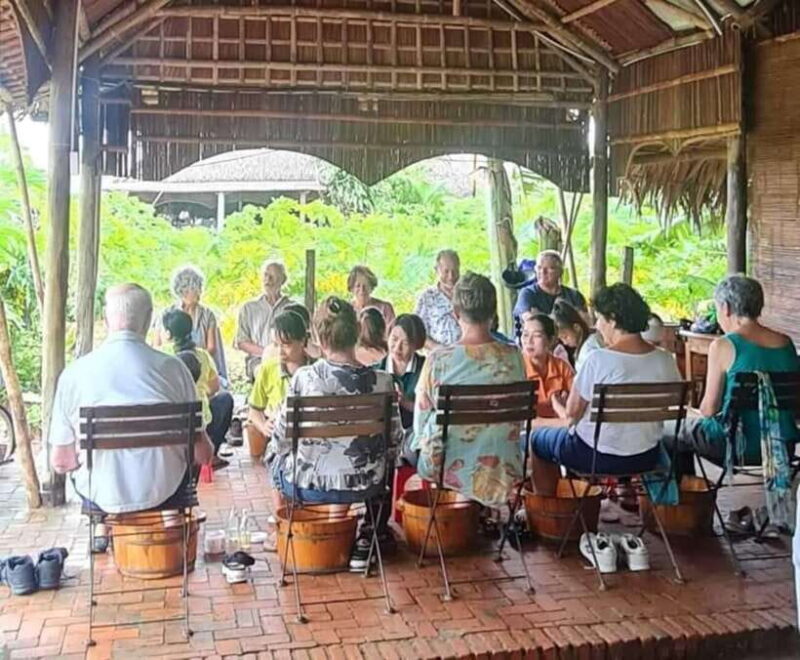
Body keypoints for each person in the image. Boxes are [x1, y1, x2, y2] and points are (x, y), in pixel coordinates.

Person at [49, 284, 214, 516]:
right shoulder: (175, 370)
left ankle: (103, 532)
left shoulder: (74, 375)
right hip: (166, 492)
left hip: (100, 494)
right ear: (148, 320)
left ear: (105, 321)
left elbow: (61, 461)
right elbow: (203, 454)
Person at [268, 296, 398, 569]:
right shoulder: (383, 382)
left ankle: (289, 537)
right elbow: (395, 440)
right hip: (368, 482)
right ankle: (367, 537)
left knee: (274, 459)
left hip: (312, 483)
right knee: (387, 462)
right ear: (357, 332)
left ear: (318, 336)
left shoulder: (304, 378)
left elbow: (281, 437)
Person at [527, 283, 681, 496]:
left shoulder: (598, 359)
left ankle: (550, 513)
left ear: (613, 319)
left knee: (537, 441)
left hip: (594, 455)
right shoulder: (666, 360)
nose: (597, 326)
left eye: (600, 319)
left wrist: (560, 404)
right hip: (648, 455)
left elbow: (572, 416)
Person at [412, 272, 526, 508]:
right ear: (493, 313)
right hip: (505, 463)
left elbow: (420, 424)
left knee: (413, 444)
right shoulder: (514, 356)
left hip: (447, 462)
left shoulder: (438, 360)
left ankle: (458, 509)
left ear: (455, 314)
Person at [670, 275, 799, 475]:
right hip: (782, 444)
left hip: (734, 445)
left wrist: (691, 412)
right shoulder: (786, 344)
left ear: (726, 308)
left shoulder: (723, 345)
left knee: (672, 433)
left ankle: (689, 502)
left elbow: (709, 409)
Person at [162, 309, 233, 467]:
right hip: (202, 423)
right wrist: (201, 393)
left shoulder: (163, 357)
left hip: (175, 425)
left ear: (168, 334)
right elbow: (214, 387)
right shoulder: (202, 355)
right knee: (225, 399)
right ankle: (211, 454)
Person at [246, 310, 313, 460]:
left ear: (302, 341)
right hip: (278, 443)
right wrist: (263, 426)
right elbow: (254, 410)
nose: (280, 351)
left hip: (311, 443)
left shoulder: (317, 371)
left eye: (286, 344)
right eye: (276, 345)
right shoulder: (268, 369)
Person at [153, 265, 227, 381]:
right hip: (171, 369)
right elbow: (157, 346)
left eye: (200, 288)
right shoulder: (167, 314)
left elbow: (211, 348)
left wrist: (196, 362)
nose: (199, 293)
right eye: (195, 289)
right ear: (183, 291)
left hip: (202, 366)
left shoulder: (207, 314)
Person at [235, 260, 295, 380]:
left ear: (282, 280)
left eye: (272, 276)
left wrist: (283, 355)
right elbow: (241, 342)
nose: (268, 280)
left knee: (294, 374)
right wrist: (269, 354)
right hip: (257, 360)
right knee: (264, 373)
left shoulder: (292, 308)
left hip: (287, 359)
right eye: (265, 275)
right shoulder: (249, 308)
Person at [375, 314, 427, 430]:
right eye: (394, 339)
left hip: (418, 435)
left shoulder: (427, 369)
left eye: (405, 343)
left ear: (416, 345)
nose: (397, 347)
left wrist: (405, 403)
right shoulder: (376, 371)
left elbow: (433, 412)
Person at [520, 314, 574, 419]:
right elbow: (524, 420)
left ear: (551, 340)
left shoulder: (562, 367)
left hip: (561, 429)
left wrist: (562, 406)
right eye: (525, 335)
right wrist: (558, 408)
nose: (529, 341)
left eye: (537, 335)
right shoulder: (517, 369)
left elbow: (576, 406)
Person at [513, 250, 587, 323]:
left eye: (550, 268)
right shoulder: (528, 293)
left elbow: (584, 322)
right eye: (539, 268)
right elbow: (530, 320)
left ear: (560, 272)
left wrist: (542, 318)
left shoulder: (574, 295)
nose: (543, 272)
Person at [414, 249, 461, 350]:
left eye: (455, 271)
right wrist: (439, 349)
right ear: (437, 270)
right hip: (437, 356)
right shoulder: (427, 297)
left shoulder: (467, 293)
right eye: (446, 271)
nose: (451, 277)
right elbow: (418, 333)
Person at [552, 298, 603, 371]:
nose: (565, 342)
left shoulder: (589, 349)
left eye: (565, 337)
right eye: (561, 339)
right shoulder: (591, 340)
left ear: (576, 327)